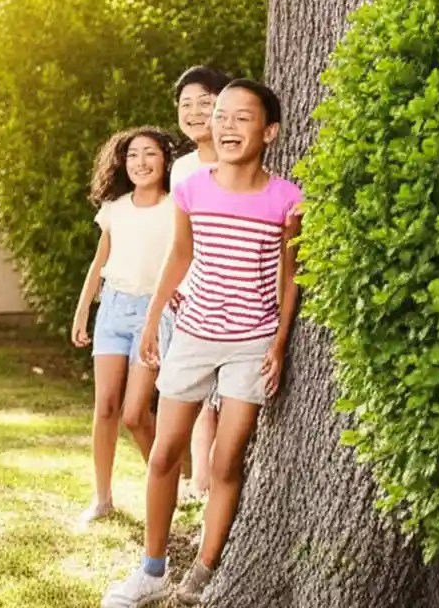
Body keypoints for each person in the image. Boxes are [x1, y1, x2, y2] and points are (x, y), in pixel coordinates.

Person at [101, 80, 303, 607]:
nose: (229, 126)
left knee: (225, 463)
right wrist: (151, 323)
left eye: (243, 118)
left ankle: (205, 574)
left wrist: (278, 344)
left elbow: (290, 277)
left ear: (270, 131)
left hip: (250, 345)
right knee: (165, 453)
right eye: (223, 117)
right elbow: (180, 255)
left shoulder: (287, 198)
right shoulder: (191, 189)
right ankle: (152, 570)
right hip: (191, 336)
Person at [71, 127, 177, 525]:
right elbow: (100, 263)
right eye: (133, 155)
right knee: (106, 407)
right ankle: (102, 498)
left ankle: (168, 482)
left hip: (154, 313)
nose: (141, 162)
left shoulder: (175, 207)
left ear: (165, 159)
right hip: (113, 310)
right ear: (122, 162)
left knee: (135, 413)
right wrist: (84, 311)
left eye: (150, 154)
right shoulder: (115, 208)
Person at [167, 65, 232, 500]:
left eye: (205, 103)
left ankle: (217, 479)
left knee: (227, 397)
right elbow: (180, 239)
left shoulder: (239, 158)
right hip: (189, 297)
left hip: (236, 295)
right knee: (196, 395)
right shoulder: (182, 169)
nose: (194, 112)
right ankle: (201, 483)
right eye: (185, 105)